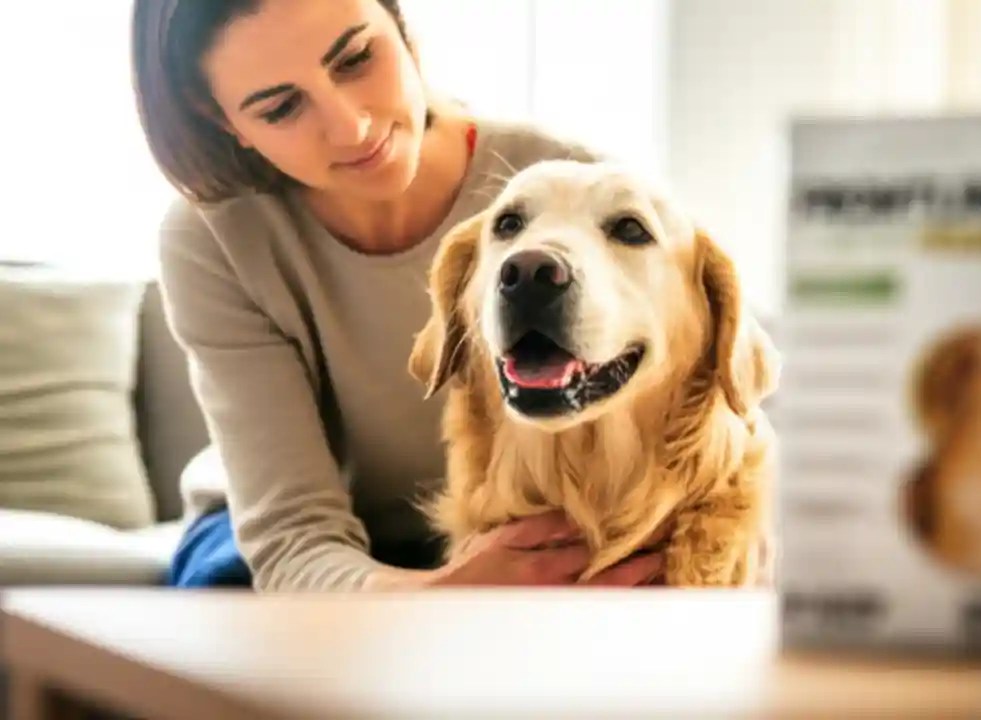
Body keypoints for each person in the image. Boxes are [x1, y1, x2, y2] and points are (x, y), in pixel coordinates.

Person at [130, 0, 665, 591]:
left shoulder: (577, 183)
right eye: (282, 107)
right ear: (223, 121)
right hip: (270, 540)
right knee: (230, 608)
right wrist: (443, 596)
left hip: (509, 529)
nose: (351, 126)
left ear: (403, 28)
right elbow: (293, 538)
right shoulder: (213, 237)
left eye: (357, 58)